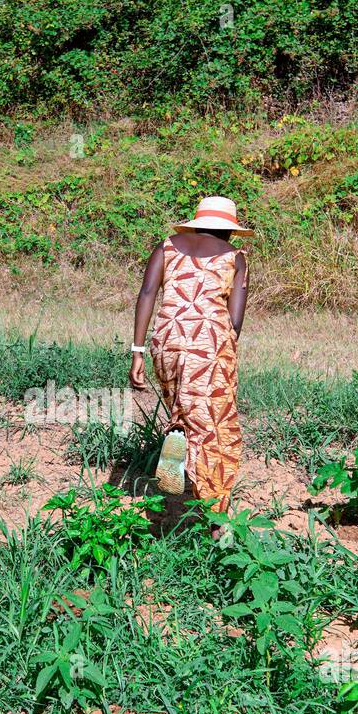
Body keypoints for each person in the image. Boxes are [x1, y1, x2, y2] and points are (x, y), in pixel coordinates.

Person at [129, 195, 252, 535]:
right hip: (208, 348)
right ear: (230, 231)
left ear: (196, 223)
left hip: (166, 343)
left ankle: (178, 442)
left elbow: (147, 293)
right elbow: (235, 321)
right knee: (217, 430)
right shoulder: (235, 258)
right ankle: (217, 520)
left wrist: (138, 350)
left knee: (185, 409)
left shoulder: (166, 247)